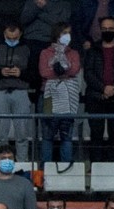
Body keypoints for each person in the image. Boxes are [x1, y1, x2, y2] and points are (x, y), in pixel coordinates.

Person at [82, 16, 114, 162]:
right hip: (96, 97)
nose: (107, 31)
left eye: (110, 29)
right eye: (104, 29)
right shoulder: (92, 50)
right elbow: (88, 74)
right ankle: (95, 166)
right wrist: (103, 88)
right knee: (95, 135)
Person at [0, 24, 34, 161]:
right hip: (0, 92)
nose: (12, 40)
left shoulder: (28, 49)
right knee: (0, 134)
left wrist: (21, 73)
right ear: (4, 34)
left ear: (20, 35)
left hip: (21, 92)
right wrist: (0, 72)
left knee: (22, 133)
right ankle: (0, 163)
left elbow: (35, 73)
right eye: (9, 37)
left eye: (15, 37)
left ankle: (22, 163)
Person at [39, 23, 81, 166]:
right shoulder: (46, 53)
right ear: (56, 34)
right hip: (49, 96)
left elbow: (74, 70)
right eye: (64, 33)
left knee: (66, 135)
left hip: (68, 97)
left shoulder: (74, 53)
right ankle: (45, 168)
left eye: (69, 33)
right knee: (47, 135)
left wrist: (62, 70)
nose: (67, 36)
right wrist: (59, 72)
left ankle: (66, 167)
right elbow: (44, 72)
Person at [21, 0, 72, 78]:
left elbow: (61, 23)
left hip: (52, 42)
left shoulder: (64, 3)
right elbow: (24, 19)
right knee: (31, 73)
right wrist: (36, 7)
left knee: (49, 72)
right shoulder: (33, 1)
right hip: (31, 40)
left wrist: (43, 9)